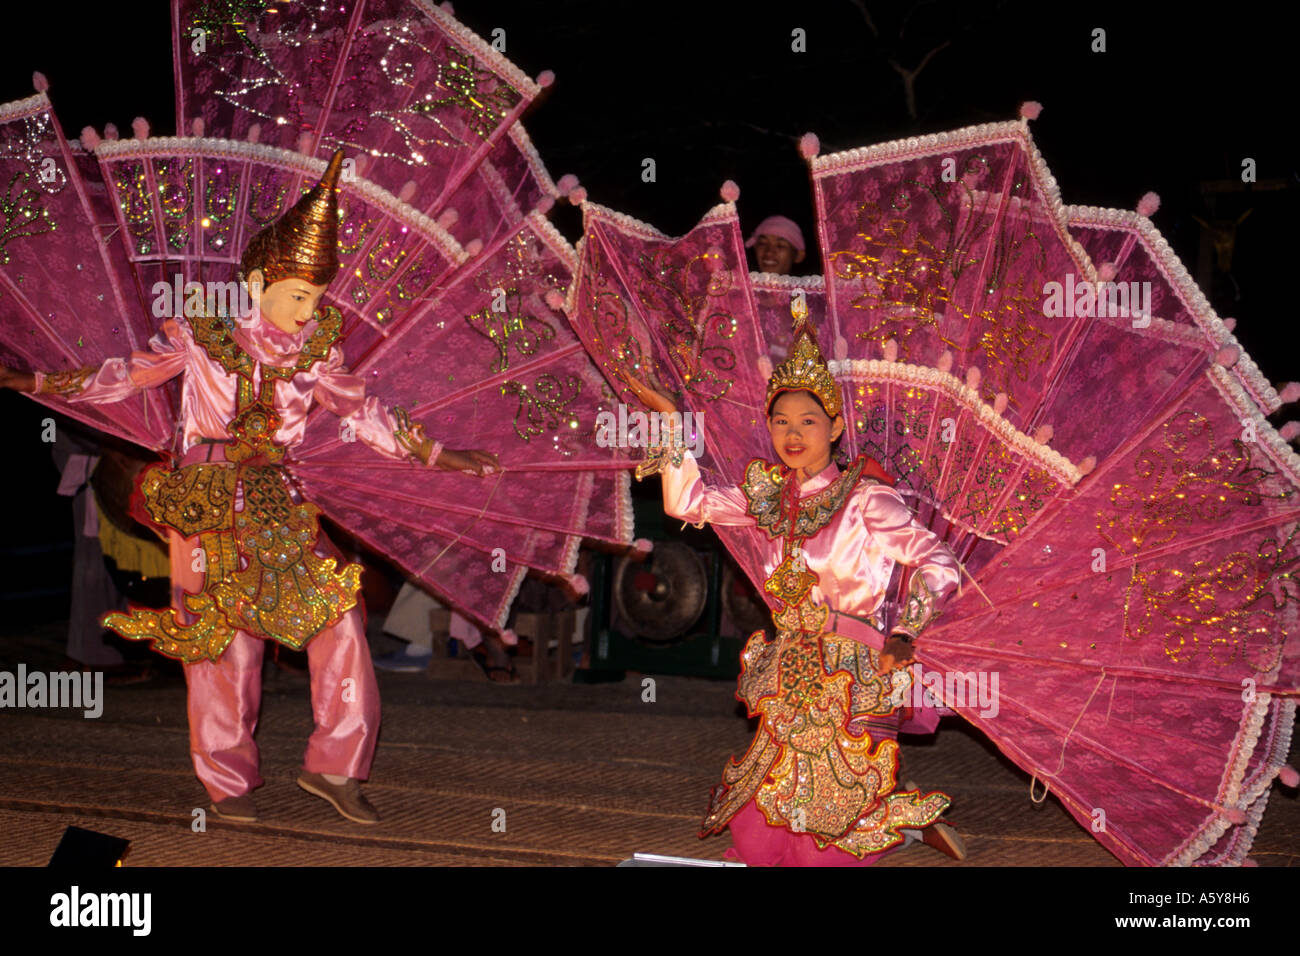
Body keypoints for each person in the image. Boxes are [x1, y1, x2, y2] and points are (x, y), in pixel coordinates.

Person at [0, 151, 499, 825]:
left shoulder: (316, 350)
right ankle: (227, 779)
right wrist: (35, 383)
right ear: (260, 281)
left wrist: (441, 454)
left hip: (280, 502)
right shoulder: (203, 337)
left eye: (317, 299)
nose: (307, 312)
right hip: (205, 502)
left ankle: (337, 767)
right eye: (298, 297)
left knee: (339, 619)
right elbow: (121, 376)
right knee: (222, 643)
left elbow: (364, 411)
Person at [622, 315, 966, 865]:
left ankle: (891, 820)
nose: (793, 434)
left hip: (857, 668)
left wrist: (904, 633)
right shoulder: (769, 500)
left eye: (808, 421)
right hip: (791, 667)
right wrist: (669, 421)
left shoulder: (865, 499)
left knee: (828, 835)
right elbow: (685, 504)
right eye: (781, 421)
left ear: (834, 428)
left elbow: (937, 561)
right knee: (761, 835)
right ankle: (897, 822)